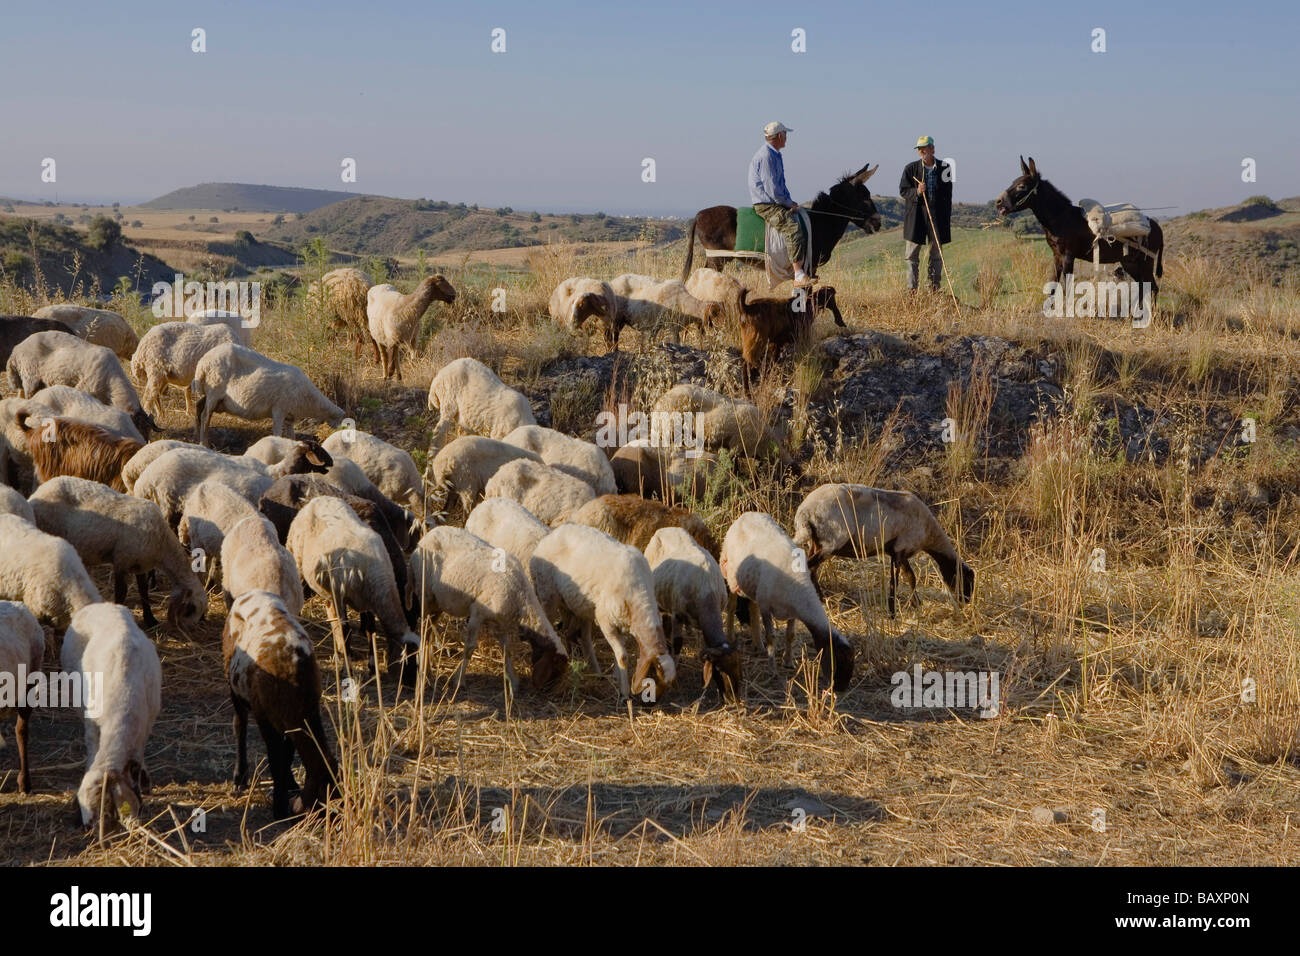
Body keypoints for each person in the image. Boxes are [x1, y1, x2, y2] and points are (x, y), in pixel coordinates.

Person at [748, 121, 809, 285]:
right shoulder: (767, 157)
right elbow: (773, 189)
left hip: (774, 201)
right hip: (767, 205)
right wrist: (788, 203)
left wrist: (789, 201)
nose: (787, 138)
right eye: (786, 135)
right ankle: (798, 274)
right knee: (793, 229)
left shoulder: (773, 154)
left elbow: (779, 185)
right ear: (780, 136)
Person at [899, 135, 953, 292]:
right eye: (919, 149)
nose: (922, 151)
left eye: (925, 148)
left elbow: (947, 194)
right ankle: (912, 292)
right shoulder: (910, 169)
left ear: (932, 149)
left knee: (936, 255)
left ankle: (934, 290)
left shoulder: (945, 168)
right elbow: (903, 190)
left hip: (937, 217)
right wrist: (917, 191)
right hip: (916, 217)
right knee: (911, 255)